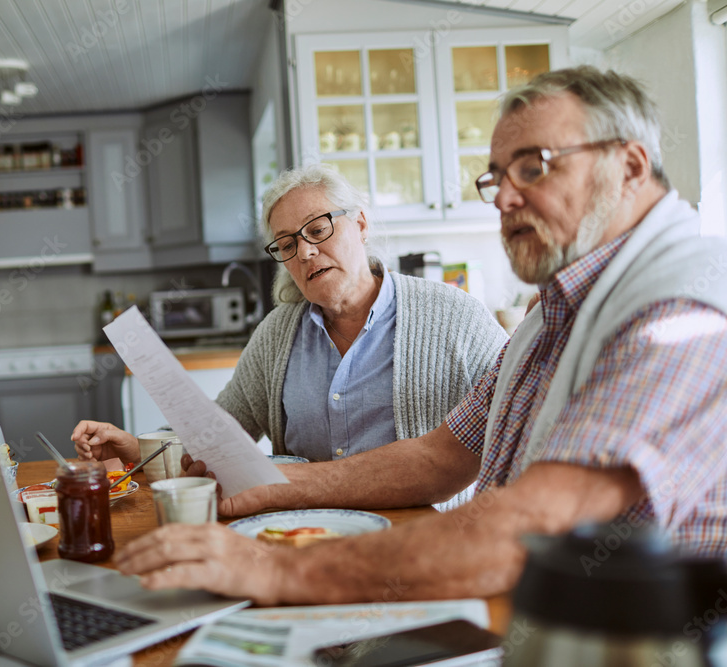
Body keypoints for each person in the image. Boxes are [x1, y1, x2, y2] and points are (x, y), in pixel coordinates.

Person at [114, 66, 727, 606]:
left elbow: (527, 532)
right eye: (497, 177)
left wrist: (276, 570)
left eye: (534, 166)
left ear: (630, 166)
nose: (506, 198)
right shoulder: (553, 316)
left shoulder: (683, 311)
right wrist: (270, 487)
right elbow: (439, 457)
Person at [72, 163, 508, 509]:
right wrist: (135, 447)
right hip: (302, 536)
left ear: (360, 224)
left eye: (318, 230)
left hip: (417, 542)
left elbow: (516, 426)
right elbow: (219, 433)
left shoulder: (455, 316)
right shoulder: (278, 334)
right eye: (286, 244)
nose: (305, 253)